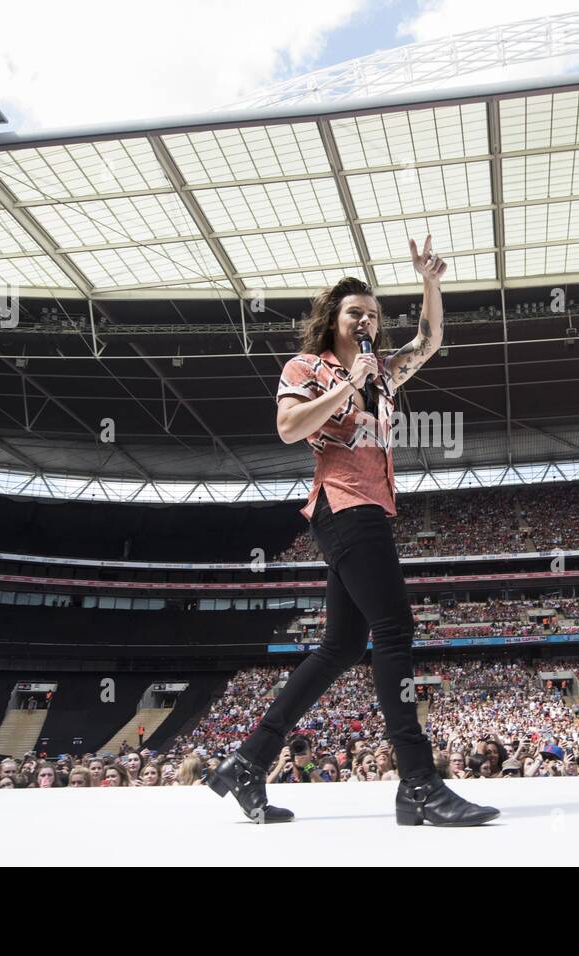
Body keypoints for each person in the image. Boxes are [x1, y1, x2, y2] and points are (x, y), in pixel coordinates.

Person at [209, 238, 499, 827]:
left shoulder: (387, 374)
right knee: (394, 628)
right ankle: (418, 783)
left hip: (373, 505)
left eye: (373, 314)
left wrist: (430, 284)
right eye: (355, 313)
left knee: (340, 647)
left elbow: (431, 340)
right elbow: (290, 428)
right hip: (343, 505)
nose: (367, 321)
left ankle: (247, 761)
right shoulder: (306, 369)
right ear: (333, 321)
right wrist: (346, 386)